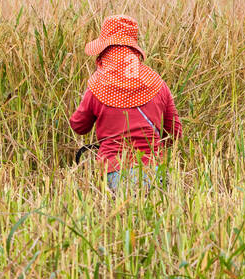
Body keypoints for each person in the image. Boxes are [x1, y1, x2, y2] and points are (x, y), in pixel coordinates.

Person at [69, 15, 182, 193]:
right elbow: (175, 132)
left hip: (115, 172)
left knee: (122, 219)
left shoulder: (97, 86)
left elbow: (78, 126)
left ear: (104, 51)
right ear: (134, 50)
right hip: (155, 170)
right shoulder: (157, 83)